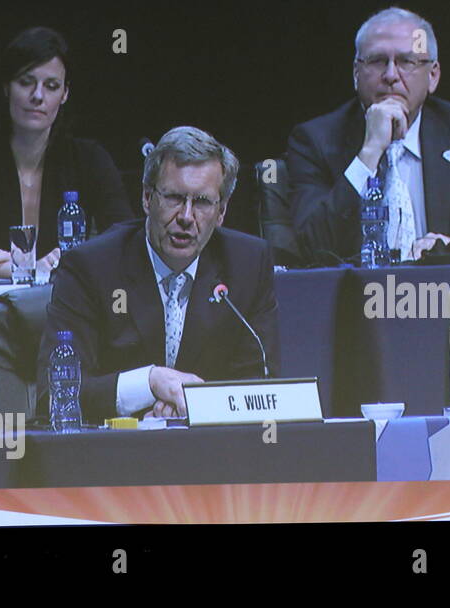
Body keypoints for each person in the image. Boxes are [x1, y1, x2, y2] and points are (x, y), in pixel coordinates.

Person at [38, 125, 280, 420]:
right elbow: (54, 395)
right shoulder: (91, 268)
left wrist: (192, 407)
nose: (186, 217)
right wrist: (150, 383)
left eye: (202, 202)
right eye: (174, 198)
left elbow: (260, 385)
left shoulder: (248, 265)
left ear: (222, 212)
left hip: (214, 455)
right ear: (147, 198)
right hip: (113, 455)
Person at [287, 7, 450, 263]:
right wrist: (369, 153)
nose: (390, 76)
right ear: (356, 74)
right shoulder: (315, 140)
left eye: (406, 62)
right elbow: (312, 245)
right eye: (377, 61)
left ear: (432, 76)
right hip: (358, 297)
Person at [0, 27, 133, 282]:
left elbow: (125, 244)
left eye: (51, 86)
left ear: (65, 94)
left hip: (71, 307)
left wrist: (74, 260)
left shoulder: (90, 160)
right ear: (7, 87)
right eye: (26, 82)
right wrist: (32, 269)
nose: (38, 96)